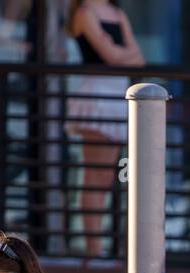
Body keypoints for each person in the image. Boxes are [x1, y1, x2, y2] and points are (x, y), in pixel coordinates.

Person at [65, 0, 144, 258]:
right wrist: (125, 57)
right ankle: (94, 251)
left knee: (106, 178)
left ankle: (99, 248)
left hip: (117, 95)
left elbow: (138, 59)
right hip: (97, 96)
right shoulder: (85, 12)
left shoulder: (117, 12)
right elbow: (111, 56)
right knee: (95, 177)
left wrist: (123, 57)